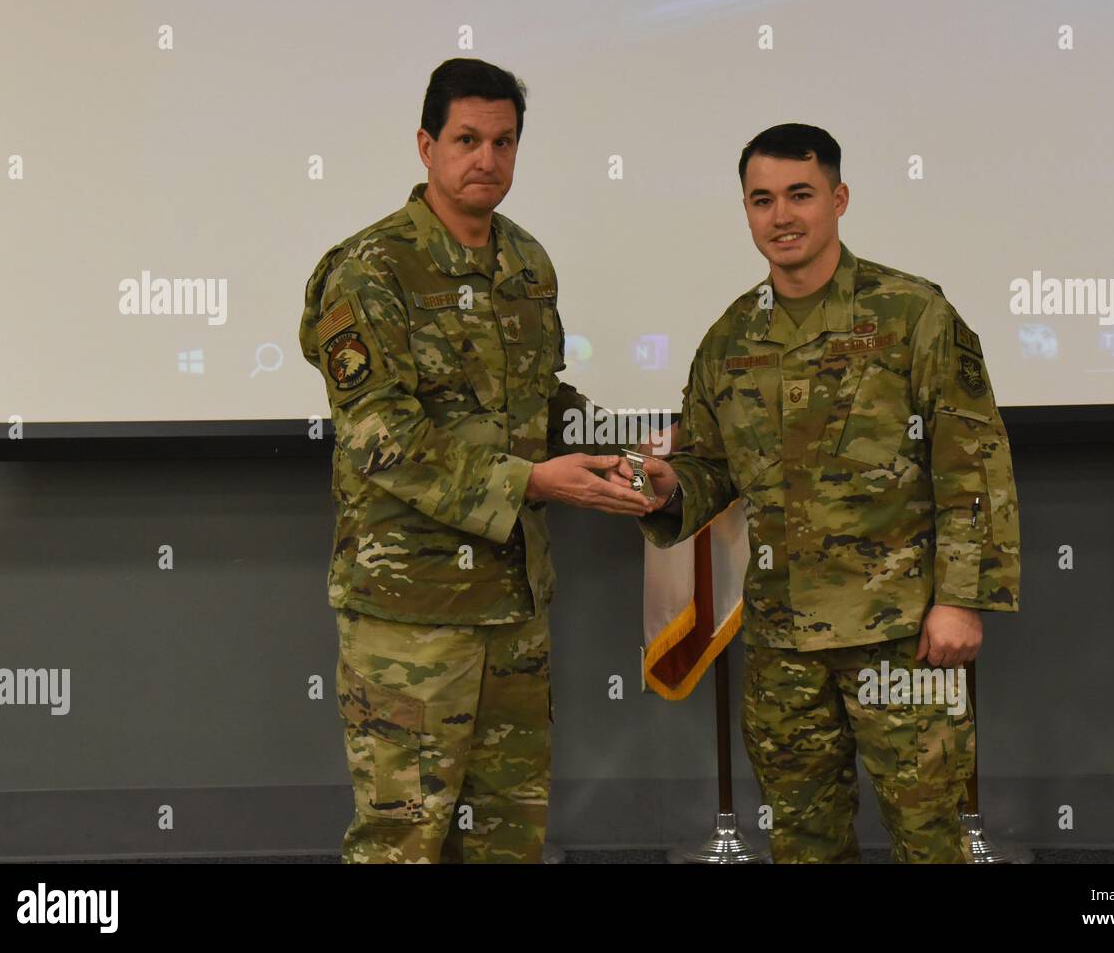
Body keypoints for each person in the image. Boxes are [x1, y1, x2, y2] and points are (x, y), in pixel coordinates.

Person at [633, 124, 1021, 863]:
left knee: (930, 836)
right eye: (762, 199)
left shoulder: (912, 315)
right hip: (783, 643)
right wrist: (667, 487)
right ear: (745, 212)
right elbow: (712, 467)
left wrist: (962, 598)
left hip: (903, 636)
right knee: (804, 842)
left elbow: (974, 462)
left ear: (839, 199)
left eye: (800, 195)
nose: (781, 216)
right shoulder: (729, 338)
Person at [298, 57, 651, 863]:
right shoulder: (371, 269)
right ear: (425, 145)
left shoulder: (526, 263)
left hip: (513, 608)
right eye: (466, 139)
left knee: (509, 838)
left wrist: (618, 449)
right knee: (401, 840)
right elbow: (380, 433)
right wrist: (530, 481)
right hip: (410, 616)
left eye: (503, 141)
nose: (485, 159)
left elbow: (538, 400)